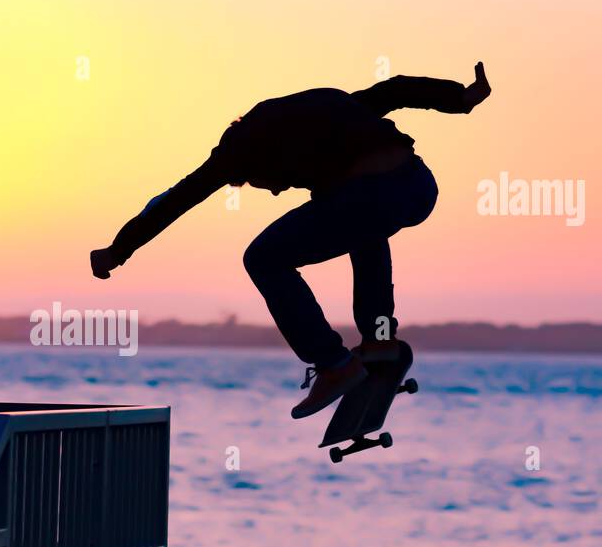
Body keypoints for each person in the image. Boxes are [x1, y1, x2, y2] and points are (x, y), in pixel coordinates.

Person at [91, 62, 491, 418]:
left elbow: (176, 198)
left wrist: (118, 250)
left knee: (264, 258)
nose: (275, 192)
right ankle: (379, 339)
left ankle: (333, 363)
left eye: (256, 184)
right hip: (420, 187)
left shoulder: (239, 149)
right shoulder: (318, 111)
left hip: (376, 194)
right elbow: (397, 89)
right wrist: (460, 98)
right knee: (362, 223)